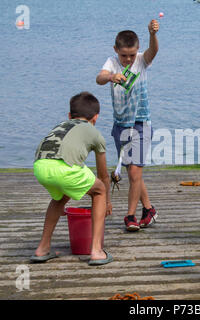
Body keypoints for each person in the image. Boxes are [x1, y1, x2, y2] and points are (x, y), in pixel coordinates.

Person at [30, 92, 113, 266]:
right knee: (99, 191)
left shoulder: (61, 125)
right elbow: (103, 175)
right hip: (63, 168)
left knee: (60, 197)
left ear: (69, 116)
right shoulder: (95, 133)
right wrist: (107, 201)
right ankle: (97, 251)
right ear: (96, 117)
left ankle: (42, 248)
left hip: (40, 166)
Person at [96, 20, 159, 232]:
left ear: (137, 51)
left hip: (141, 123)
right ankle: (148, 209)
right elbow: (99, 78)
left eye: (132, 55)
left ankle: (130, 216)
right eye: (124, 55)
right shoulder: (112, 63)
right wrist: (112, 77)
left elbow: (154, 51)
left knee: (133, 172)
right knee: (134, 172)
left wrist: (152, 34)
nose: (128, 59)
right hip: (120, 125)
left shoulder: (141, 61)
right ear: (116, 51)